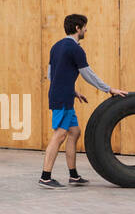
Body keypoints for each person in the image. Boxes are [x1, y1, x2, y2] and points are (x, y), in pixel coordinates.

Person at [40, 14, 128, 189]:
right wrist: (109, 89)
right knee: (59, 135)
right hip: (62, 99)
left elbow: (52, 75)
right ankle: (45, 177)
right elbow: (88, 74)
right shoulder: (75, 49)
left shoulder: (56, 46)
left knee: (74, 132)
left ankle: (73, 176)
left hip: (63, 95)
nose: (86, 30)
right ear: (78, 28)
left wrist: (73, 91)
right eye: (85, 27)